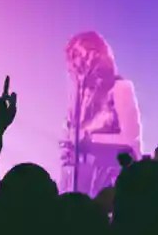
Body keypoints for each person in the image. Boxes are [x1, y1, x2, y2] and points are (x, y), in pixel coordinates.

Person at [60, 31, 142, 196]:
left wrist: (88, 140)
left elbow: (131, 140)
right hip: (80, 185)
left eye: (77, 57)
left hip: (112, 184)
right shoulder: (79, 98)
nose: (73, 65)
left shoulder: (120, 87)